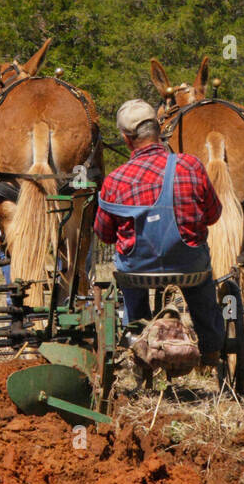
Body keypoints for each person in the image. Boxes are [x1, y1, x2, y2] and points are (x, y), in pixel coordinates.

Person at [94, 98, 233, 382]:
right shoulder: (190, 165)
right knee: (201, 285)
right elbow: (214, 214)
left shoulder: (114, 180)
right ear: (159, 129)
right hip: (189, 266)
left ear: (125, 138)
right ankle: (209, 347)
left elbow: (104, 234)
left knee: (128, 276)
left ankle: (137, 337)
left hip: (137, 271)